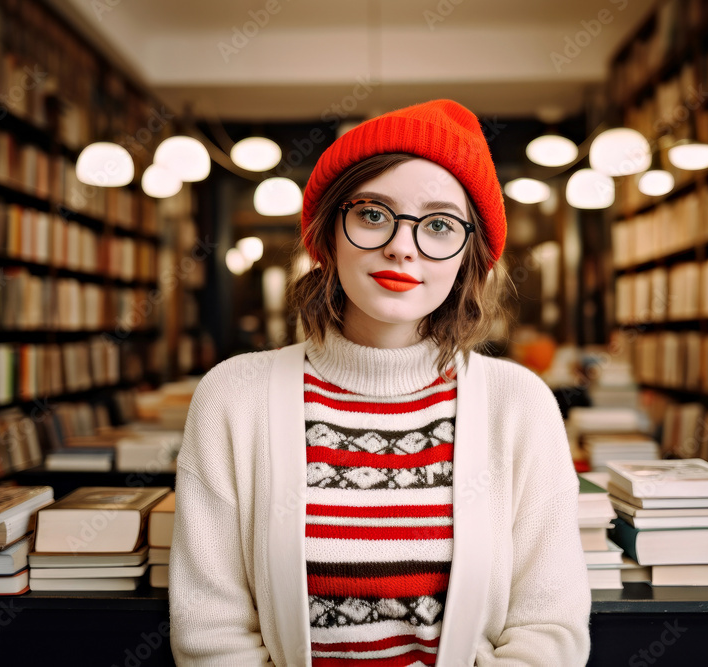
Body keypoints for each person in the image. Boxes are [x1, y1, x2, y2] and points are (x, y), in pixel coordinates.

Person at [169, 99, 591, 666]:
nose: (402, 244)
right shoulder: (232, 399)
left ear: (469, 258)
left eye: (440, 224)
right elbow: (209, 640)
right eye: (372, 213)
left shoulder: (521, 405)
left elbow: (550, 635)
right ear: (327, 235)